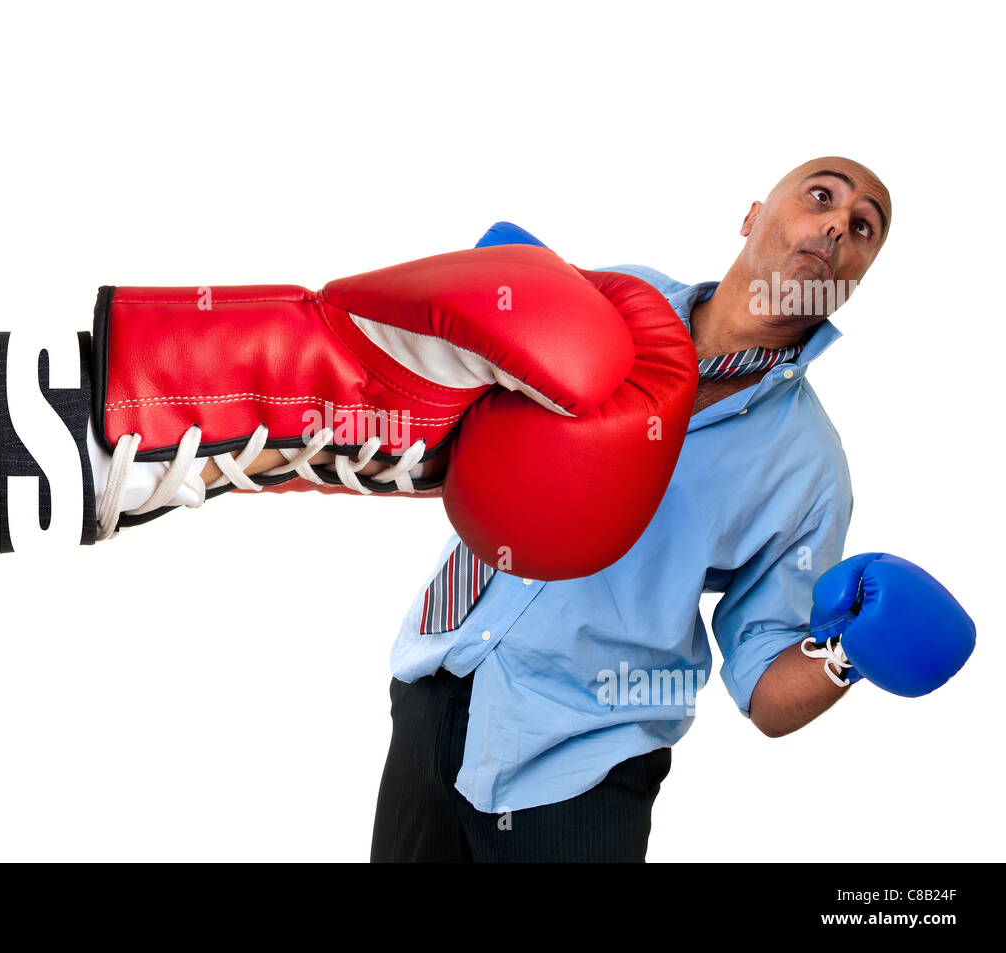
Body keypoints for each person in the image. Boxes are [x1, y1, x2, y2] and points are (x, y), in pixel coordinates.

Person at [368, 157, 894, 862]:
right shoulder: (618, 300)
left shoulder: (810, 468)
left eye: (862, 227)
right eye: (821, 196)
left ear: (856, 278)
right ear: (751, 215)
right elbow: (469, 415)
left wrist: (849, 651)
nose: (836, 224)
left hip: (581, 759)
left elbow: (765, 675)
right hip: (436, 683)